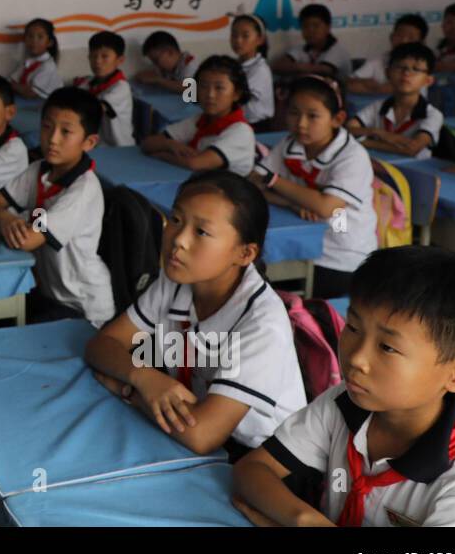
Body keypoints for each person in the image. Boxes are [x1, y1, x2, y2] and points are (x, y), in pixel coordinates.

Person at [232, 246, 455, 527]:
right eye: (352, 328)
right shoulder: (345, 403)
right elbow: (252, 469)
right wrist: (304, 520)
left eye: (387, 347)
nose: (356, 358)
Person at [85, 171, 306, 458]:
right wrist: (146, 378)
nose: (179, 241)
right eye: (176, 220)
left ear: (245, 254)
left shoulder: (263, 325)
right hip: (192, 424)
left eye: (201, 232)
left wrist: (130, 391)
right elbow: (103, 344)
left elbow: (203, 436)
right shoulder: (178, 279)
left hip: (262, 458)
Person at [0, 87, 114, 326]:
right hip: (48, 291)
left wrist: (4, 217)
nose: (52, 139)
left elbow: (28, 239)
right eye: (47, 126)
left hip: (82, 306)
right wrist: (5, 218)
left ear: (89, 142)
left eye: (66, 132)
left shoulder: (82, 190)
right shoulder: (38, 170)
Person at [250, 76, 376, 300]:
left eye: (313, 116)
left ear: (337, 119)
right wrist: (290, 201)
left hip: (341, 252)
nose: (301, 124)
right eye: (294, 113)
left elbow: (326, 207)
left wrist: (274, 181)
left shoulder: (352, 156)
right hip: (300, 243)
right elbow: (252, 182)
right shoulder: (291, 143)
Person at [140, 55, 256, 175]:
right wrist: (169, 144)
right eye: (203, 86)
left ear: (236, 94)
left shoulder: (240, 131)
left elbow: (195, 164)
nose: (210, 94)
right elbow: (147, 143)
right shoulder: (200, 120)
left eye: (219, 88)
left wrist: (161, 155)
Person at [346, 42, 442, 160]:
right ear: (387, 73)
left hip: (413, 172)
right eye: (400, 67)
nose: (406, 73)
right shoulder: (377, 106)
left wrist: (363, 141)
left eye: (416, 69)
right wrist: (379, 133)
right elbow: (348, 129)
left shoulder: (433, 115)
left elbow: (412, 149)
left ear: (428, 80)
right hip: (378, 165)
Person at [71, 30, 133, 146]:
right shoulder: (88, 82)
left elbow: (95, 109)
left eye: (105, 56)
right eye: (94, 56)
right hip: (96, 143)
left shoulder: (120, 88)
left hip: (117, 148)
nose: (98, 61)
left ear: (120, 60)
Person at [346, 14, 428, 95]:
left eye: (411, 38)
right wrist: (376, 87)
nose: (404, 41)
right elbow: (349, 83)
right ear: (391, 37)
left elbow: (399, 90)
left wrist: (374, 88)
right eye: (400, 36)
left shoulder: (422, 66)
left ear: (421, 43)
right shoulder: (377, 61)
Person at [272, 4, 351, 79]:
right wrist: (301, 68)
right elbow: (277, 66)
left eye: (316, 26)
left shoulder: (338, 50)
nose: (310, 31)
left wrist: (296, 67)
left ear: (328, 27)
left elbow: (324, 70)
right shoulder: (301, 49)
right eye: (305, 26)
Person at [230, 14, 274, 127]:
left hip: (257, 126)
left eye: (245, 36)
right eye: (234, 35)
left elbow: (239, 98)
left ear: (260, 40)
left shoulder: (260, 69)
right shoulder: (233, 65)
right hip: (238, 123)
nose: (238, 41)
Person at [9, 17, 62, 99]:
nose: (34, 41)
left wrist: (16, 86)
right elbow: (12, 80)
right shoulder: (27, 61)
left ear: (50, 43)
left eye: (40, 37)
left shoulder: (48, 66)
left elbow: (31, 93)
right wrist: (19, 87)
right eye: (30, 36)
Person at [135, 30, 199, 95]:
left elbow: (187, 88)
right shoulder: (166, 67)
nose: (155, 65)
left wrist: (158, 80)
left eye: (156, 60)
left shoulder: (189, 63)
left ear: (170, 52)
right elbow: (150, 74)